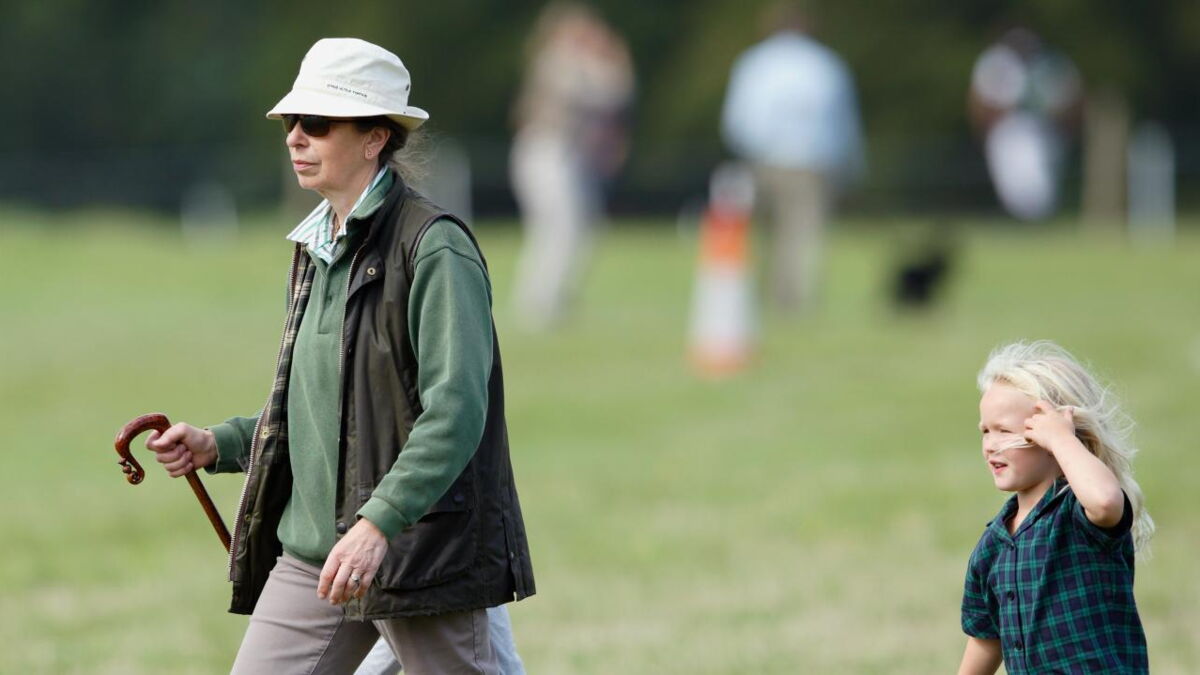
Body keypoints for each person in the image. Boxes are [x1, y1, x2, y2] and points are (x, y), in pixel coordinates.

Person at [145, 37, 535, 674]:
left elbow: (457, 411)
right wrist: (221, 444)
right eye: (291, 123)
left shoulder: (436, 250)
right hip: (317, 557)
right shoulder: (317, 248)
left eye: (318, 124)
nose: (296, 137)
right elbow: (324, 405)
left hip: (419, 551)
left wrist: (379, 523)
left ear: (375, 137)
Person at [958, 340, 1153, 674]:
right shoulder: (993, 545)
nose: (990, 445)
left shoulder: (1079, 514)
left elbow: (1106, 502)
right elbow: (986, 638)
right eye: (985, 431)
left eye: (1004, 431)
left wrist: (1064, 439)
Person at [720, 1, 864, 315]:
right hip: (811, 163)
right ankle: (793, 304)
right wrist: (851, 163)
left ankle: (755, 300)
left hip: (763, 160)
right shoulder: (826, 64)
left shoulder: (755, 62)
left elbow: (738, 119)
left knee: (761, 236)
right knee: (802, 237)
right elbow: (843, 122)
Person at [509, 1, 634, 330]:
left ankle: (553, 299)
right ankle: (539, 305)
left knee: (577, 228)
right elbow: (609, 94)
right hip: (545, 151)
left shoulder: (574, 62)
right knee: (559, 229)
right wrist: (614, 59)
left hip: (563, 155)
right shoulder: (557, 61)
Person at [968, 27, 1082, 222]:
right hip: (1008, 130)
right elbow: (980, 103)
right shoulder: (995, 64)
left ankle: (1035, 220)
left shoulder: (1050, 65)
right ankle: (1025, 220)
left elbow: (1071, 100)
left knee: (1038, 181)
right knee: (1014, 182)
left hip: (1042, 129)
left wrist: (1065, 131)